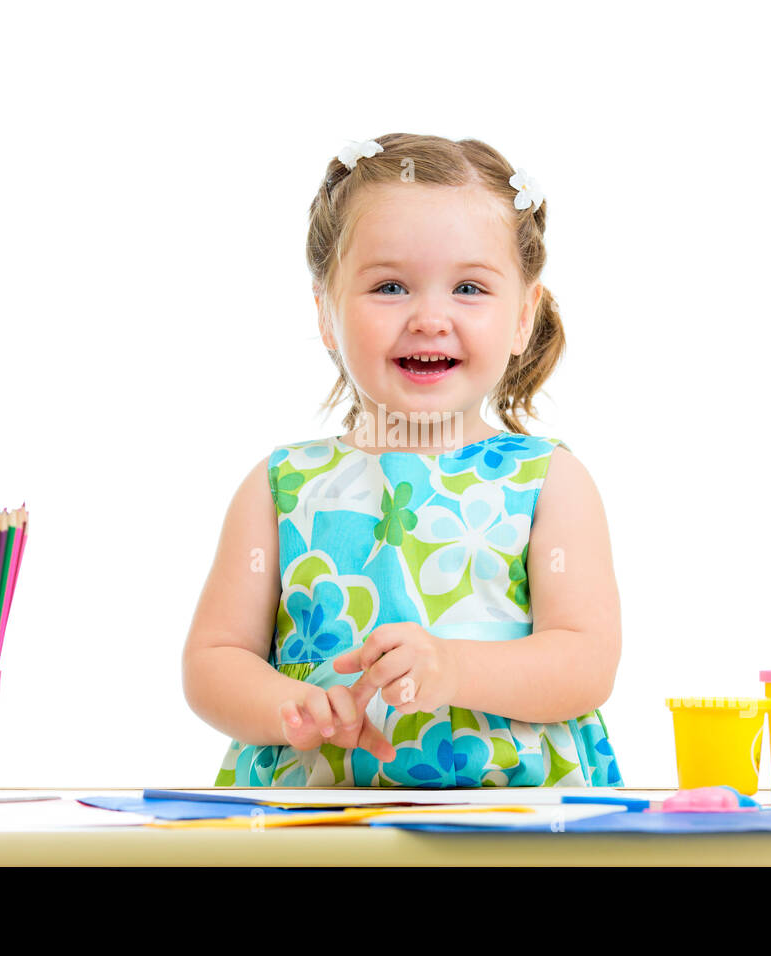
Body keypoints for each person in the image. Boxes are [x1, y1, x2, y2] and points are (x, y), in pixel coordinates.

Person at [183, 132, 622, 787]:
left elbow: (586, 662)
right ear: (326, 313)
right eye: (390, 286)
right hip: (316, 825)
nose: (429, 317)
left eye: (469, 288)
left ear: (524, 316)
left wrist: (455, 668)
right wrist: (288, 706)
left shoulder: (549, 482)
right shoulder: (282, 486)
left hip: (511, 820)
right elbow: (213, 661)